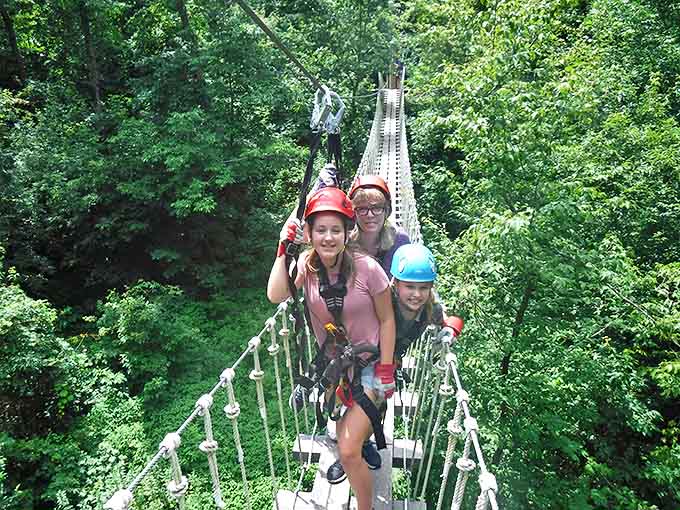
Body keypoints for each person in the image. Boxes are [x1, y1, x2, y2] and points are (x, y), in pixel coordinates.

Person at [267, 187, 396, 509]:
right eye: (320, 230)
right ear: (308, 233)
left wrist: (387, 368)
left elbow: (387, 320)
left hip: (371, 364)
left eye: (335, 230)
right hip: (334, 368)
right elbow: (276, 295)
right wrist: (283, 248)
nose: (328, 237)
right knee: (342, 437)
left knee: (350, 449)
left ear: (347, 232)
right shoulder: (306, 267)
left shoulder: (367, 268)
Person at [389, 243, 464, 365]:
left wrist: (450, 330)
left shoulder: (430, 309)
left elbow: (449, 320)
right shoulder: (382, 303)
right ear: (396, 284)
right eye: (410, 287)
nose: (417, 294)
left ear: (431, 287)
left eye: (423, 288)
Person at [348, 175, 410, 279]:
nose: (370, 215)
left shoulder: (399, 240)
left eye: (376, 208)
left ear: (386, 211)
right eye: (362, 209)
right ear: (354, 213)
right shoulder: (345, 243)